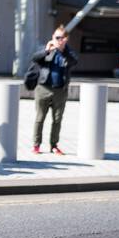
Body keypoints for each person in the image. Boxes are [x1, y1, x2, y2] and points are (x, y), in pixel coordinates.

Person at [31, 25, 78, 154]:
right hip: (43, 89)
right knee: (40, 118)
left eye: (60, 38)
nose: (58, 40)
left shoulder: (68, 53)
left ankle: (54, 145)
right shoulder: (46, 49)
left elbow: (74, 61)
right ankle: (36, 145)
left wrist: (64, 50)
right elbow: (35, 58)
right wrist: (47, 51)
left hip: (60, 91)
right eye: (56, 37)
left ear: (65, 39)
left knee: (57, 120)